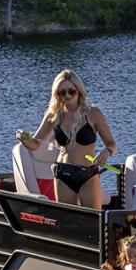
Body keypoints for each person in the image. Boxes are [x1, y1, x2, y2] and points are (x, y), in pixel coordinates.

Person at [18, 69, 116, 211]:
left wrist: (106, 152)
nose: (67, 95)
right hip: (63, 173)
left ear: (79, 90)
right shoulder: (54, 116)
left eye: (71, 91)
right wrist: (22, 138)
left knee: (94, 220)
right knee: (68, 220)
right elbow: (34, 144)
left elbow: (112, 144)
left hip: (87, 173)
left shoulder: (93, 114)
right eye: (62, 92)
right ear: (57, 94)